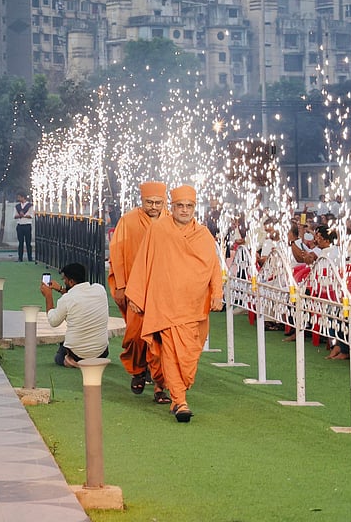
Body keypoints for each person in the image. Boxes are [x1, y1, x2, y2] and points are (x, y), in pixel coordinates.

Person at [125, 184, 223, 423]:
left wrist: (217, 294)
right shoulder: (159, 230)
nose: (184, 210)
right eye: (180, 206)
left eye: (189, 206)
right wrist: (136, 295)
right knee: (170, 351)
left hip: (195, 306)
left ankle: (176, 388)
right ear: (172, 206)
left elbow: (214, 267)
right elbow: (144, 261)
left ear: (194, 208)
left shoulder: (203, 235)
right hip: (166, 304)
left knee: (189, 356)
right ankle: (180, 401)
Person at [108, 181, 168, 402]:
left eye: (158, 202)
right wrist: (121, 285)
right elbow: (117, 254)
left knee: (161, 339)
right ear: (141, 200)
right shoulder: (128, 221)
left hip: (163, 291)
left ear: (165, 202)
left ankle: (161, 386)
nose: (154, 207)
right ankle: (138, 370)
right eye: (149, 202)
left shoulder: (172, 221)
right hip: (135, 290)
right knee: (135, 335)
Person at [40, 262, 109, 367]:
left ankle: (70, 360)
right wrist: (60, 289)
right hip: (101, 352)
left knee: (59, 356)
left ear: (71, 281)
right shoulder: (100, 290)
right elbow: (79, 298)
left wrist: (48, 296)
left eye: (65, 280)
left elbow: (53, 321)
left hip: (77, 354)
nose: (64, 281)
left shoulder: (66, 299)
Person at [14, 192, 35, 262]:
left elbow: (31, 215)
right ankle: (20, 258)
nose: (18, 198)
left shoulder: (30, 206)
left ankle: (30, 258)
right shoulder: (17, 206)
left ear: (23, 197)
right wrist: (20, 215)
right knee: (20, 243)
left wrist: (24, 215)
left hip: (27, 225)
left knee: (28, 242)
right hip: (20, 225)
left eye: (19, 197)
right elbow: (14, 216)